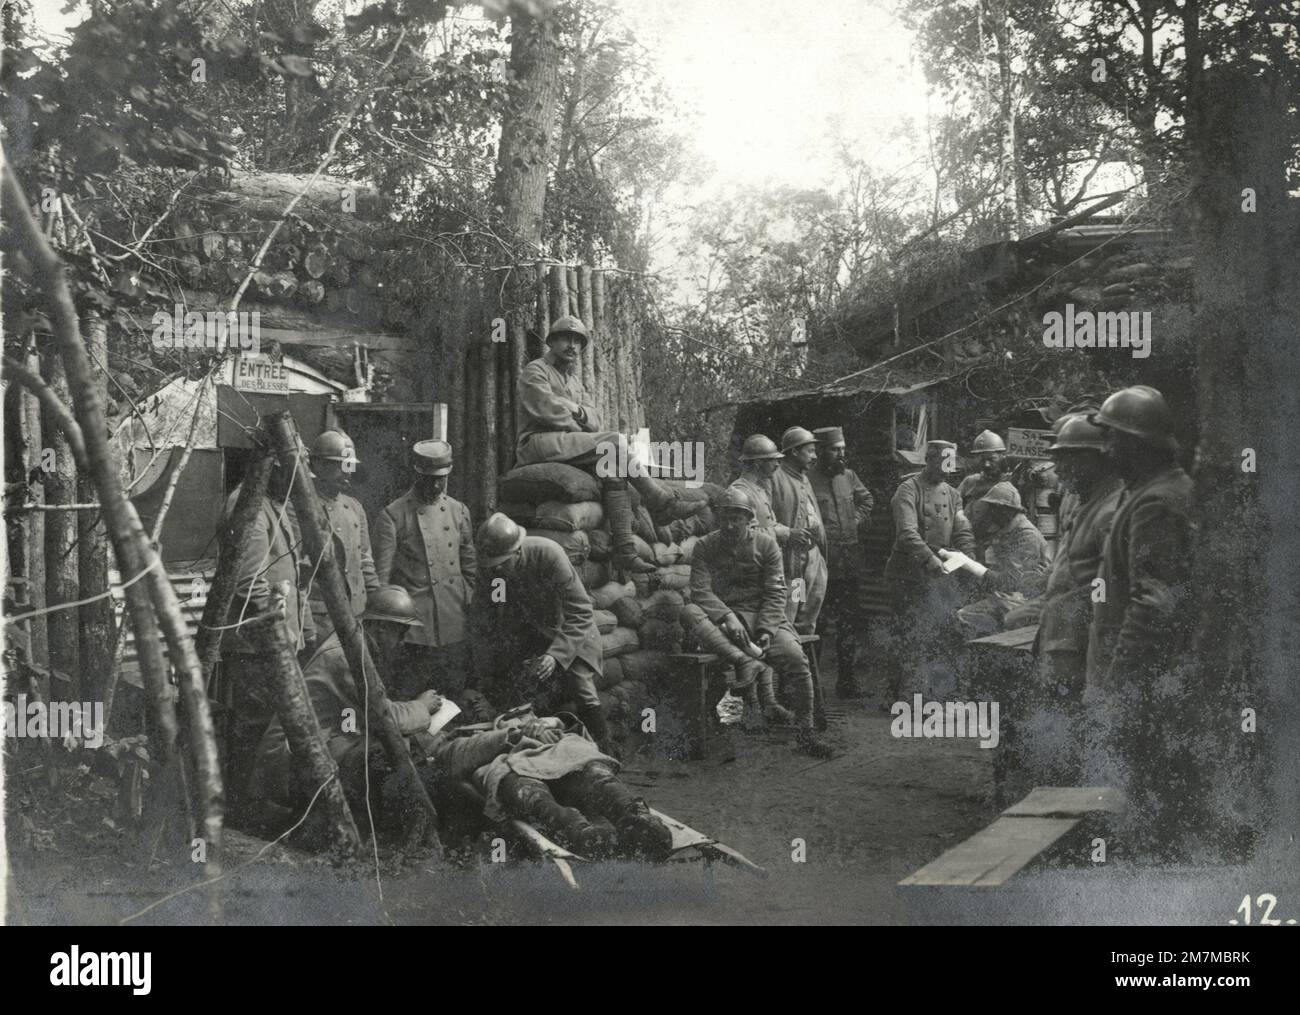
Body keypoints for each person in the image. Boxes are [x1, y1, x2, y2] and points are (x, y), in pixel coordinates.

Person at [1084, 385, 1197, 858]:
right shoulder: (1156, 492)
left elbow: (1151, 604)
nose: (1106, 450)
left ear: (1137, 443)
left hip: (1145, 689)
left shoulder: (1157, 502)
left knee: (1143, 814)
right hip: (1154, 687)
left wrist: (1116, 688)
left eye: (1113, 440)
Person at [515, 316, 704, 575]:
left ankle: (625, 549)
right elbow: (547, 410)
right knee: (613, 440)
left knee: (612, 466)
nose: (572, 345)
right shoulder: (535, 370)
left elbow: (595, 419)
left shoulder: (574, 382)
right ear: (552, 342)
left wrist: (576, 412)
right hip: (537, 443)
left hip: (567, 442)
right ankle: (659, 499)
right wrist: (579, 416)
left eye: (577, 341)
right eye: (565, 338)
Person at [682, 488, 834, 756]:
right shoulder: (706, 546)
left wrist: (765, 630)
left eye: (737, 518)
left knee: (797, 660)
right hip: (723, 621)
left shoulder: (766, 545)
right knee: (690, 611)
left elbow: (777, 591)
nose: (730, 525)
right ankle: (746, 661)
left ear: (748, 518)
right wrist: (728, 615)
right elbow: (700, 591)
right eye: (725, 518)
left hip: (764, 619)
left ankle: (806, 733)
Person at [1017, 414, 1122, 788]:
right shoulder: (1089, 504)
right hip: (1062, 644)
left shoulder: (1110, 511)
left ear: (1096, 459)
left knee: (1071, 751)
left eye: (1068, 458)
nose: (1058, 468)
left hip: (1081, 651)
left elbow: (1109, 590)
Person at [428, 705, 673, 860]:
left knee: (592, 772)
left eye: (479, 699)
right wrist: (513, 734)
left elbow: (574, 729)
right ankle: (583, 835)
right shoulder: (461, 735)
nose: (477, 702)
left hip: (555, 753)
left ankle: (639, 818)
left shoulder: (522, 712)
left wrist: (552, 723)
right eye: (471, 702)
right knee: (527, 792)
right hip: (507, 763)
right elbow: (450, 758)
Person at [295, 585, 446, 836]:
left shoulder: (356, 644)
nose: (402, 641)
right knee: (386, 749)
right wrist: (422, 706)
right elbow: (386, 719)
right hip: (299, 755)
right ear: (381, 626)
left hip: (323, 739)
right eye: (400, 632)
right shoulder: (346, 655)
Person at [218, 448, 316, 826]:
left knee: (265, 729)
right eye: (290, 469)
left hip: (272, 640)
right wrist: (279, 635)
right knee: (253, 728)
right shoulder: (250, 508)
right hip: (257, 644)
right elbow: (250, 585)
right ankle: (243, 809)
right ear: (272, 468)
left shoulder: (270, 505)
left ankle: (252, 803)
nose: (298, 476)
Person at [470, 512, 611, 751]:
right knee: (515, 686)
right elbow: (486, 614)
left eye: (504, 562)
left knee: (581, 686)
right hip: (532, 634)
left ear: (517, 551)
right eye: (494, 565)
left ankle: (605, 748)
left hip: (573, 632)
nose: (499, 569)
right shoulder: (492, 570)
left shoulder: (548, 553)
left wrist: (555, 655)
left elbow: (581, 612)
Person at [373, 439, 477, 699]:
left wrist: (470, 606)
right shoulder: (393, 515)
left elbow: (470, 567)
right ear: (416, 473)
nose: (435, 485)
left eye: (440, 479)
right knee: (414, 699)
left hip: (455, 622)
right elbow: (381, 582)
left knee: (455, 697)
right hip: (415, 631)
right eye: (428, 479)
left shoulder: (458, 511)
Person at [883, 439, 974, 699]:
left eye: (950, 464)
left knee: (938, 635)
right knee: (905, 634)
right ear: (929, 460)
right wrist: (929, 559)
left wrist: (969, 557)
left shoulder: (953, 494)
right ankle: (895, 694)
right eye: (942, 463)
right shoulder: (908, 490)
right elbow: (907, 533)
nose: (947, 470)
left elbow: (962, 527)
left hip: (940, 574)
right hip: (908, 574)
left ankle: (932, 694)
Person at [809, 426, 874, 698]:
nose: (841, 454)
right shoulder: (807, 480)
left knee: (848, 624)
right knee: (818, 625)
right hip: (821, 566)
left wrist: (855, 520)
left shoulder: (849, 476)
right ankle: (812, 685)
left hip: (849, 565)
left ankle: (846, 683)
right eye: (835, 449)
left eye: (843, 449)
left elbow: (867, 500)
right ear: (821, 451)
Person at [304, 429, 379, 647]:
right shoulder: (301, 507)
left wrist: (374, 606)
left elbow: (365, 562)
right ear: (318, 466)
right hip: (320, 618)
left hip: (356, 614)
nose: (347, 473)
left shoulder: (354, 508)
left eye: (349, 466)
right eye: (340, 466)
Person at [949, 482, 1052, 635]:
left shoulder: (1026, 536)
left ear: (1007, 510)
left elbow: (1010, 582)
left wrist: (969, 564)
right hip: (1011, 594)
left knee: (965, 615)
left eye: (995, 508)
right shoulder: (1009, 529)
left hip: (1025, 599)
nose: (990, 513)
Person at [768, 426, 828, 636]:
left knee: (809, 611)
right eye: (810, 451)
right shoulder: (775, 478)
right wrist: (788, 532)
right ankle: (790, 659)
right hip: (793, 564)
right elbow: (763, 520)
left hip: (812, 559)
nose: (814, 457)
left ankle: (802, 663)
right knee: (793, 611)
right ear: (794, 452)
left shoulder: (804, 477)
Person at [728, 434, 789, 543]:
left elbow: (768, 523)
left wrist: (789, 531)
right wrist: (779, 532)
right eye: (772, 460)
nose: (777, 465)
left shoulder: (758, 489)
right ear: (758, 463)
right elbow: (741, 533)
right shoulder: (740, 492)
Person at [957, 429, 1009, 557]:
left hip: (1000, 550)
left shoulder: (1011, 484)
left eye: (992, 459)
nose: (986, 464)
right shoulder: (970, 482)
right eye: (982, 459)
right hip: (970, 547)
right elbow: (954, 506)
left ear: (1003, 457)